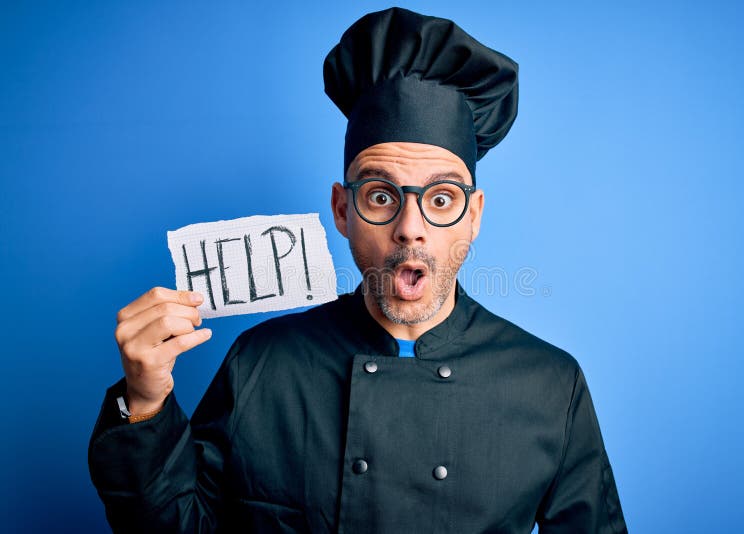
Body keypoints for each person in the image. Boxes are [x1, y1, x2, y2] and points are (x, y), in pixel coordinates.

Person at [89, 7, 627, 533]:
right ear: (343, 212)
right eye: (379, 195)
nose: (410, 227)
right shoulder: (260, 363)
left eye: (441, 199)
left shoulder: (552, 386)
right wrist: (143, 401)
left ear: (474, 216)